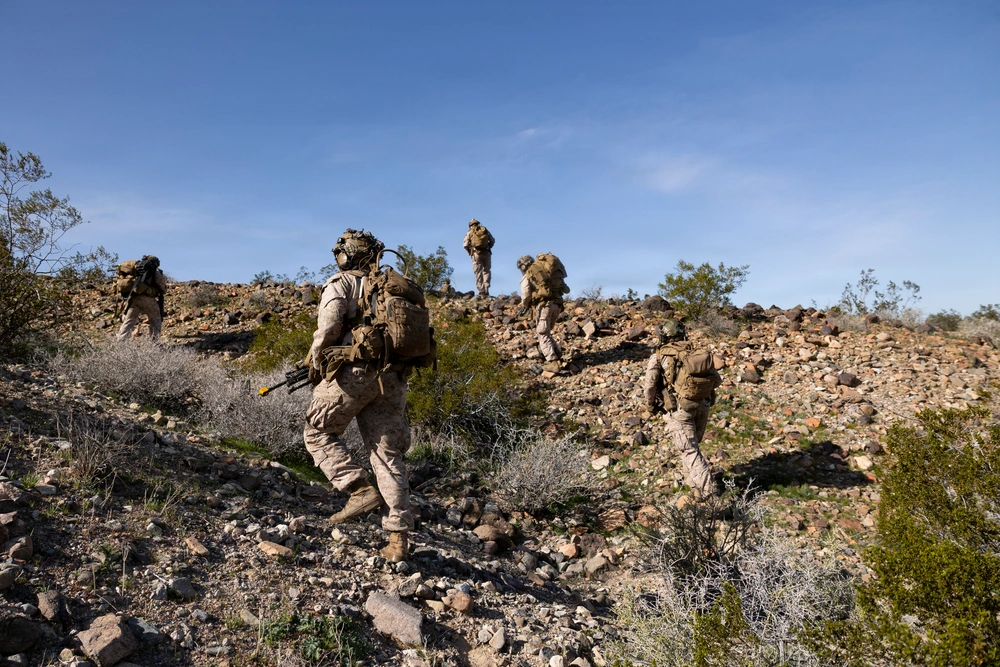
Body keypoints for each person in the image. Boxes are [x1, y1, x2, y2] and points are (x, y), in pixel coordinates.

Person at [302, 229, 414, 563]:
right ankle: (398, 540)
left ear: (344, 255)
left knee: (317, 432)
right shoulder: (394, 287)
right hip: (393, 376)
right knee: (386, 453)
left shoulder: (342, 283)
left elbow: (329, 325)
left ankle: (358, 489)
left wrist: (316, 361)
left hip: (356, 372)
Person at [643, 320, 723, 498]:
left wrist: (650, 406)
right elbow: (717, 380)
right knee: (691, 447)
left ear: (664, 335)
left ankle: (708, 493)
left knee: (689, 449)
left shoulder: (659, 356)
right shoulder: (696, 353)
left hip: (680, 409)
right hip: (703, 405)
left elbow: (649, 385)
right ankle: (692, 484)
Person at [517, 253, 569, 372]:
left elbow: (526, 294)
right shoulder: (546, 269)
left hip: (545, 306)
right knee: (547, 331)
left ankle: (552, 362)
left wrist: (525, 305)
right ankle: (556, 352)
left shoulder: (529, 274)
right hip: (558, 304)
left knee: (542, 332)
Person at [116, 255, 167, 341]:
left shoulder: (135, 271)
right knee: (155, 318)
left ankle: (121, 340)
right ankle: (154, 342)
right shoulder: (153, 271)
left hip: (133, 298)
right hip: (146, 298)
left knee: (129, 320)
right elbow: (163, 287)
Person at [462, 218, 495, 297]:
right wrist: (488, 247)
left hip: (476, 254)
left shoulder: (470, 233)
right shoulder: (485, 230)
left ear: (470, 225)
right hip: (486, 253)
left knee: (478, 273)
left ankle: (481, 291)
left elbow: (465, 245)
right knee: (487, 271)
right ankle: (486, 288)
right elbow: (492, 240)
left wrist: (470, 251)